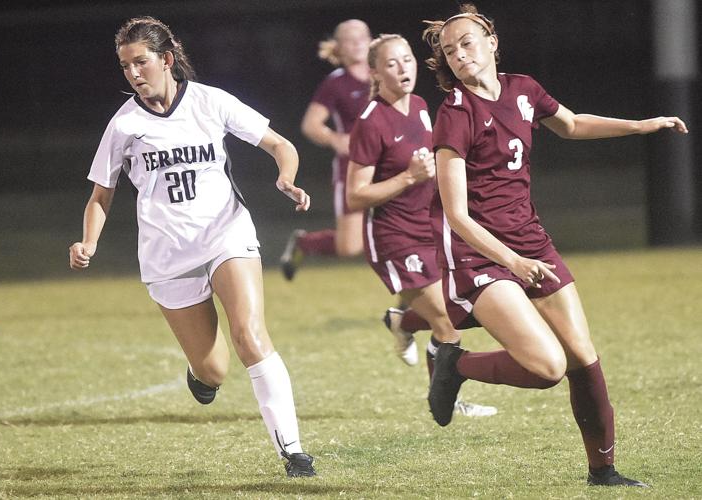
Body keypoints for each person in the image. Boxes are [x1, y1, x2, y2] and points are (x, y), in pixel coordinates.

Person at [423, 3, 688, 487]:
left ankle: (602, 472)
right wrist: (513, 262)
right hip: (479, 253)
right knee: (547, 367)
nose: (459, 54)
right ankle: (455, 364)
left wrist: (640, 126)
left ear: (491, 43)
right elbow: (456, 215)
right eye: (450, 51)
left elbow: (572, 124)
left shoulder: (523, 89)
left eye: (466, 43)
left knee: (582, 357)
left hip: (530, 241)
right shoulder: (455, 113)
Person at [68, 16, 316, 478]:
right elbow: (101, 194)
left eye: (141, 62)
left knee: (250, 335)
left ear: (166, 59)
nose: (133, 73)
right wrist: (88, 242)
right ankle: (200, 373)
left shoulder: (209, 101)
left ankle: (294, 452)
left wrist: (286, 177)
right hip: (167, 256)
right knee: (213, 371)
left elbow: (280, 144)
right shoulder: (124, 125)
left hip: (226, 234)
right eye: (125, 66)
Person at [346, 33, 496, 418]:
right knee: (446, 322)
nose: (404, 68)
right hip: (394, 238)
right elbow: (355, 196)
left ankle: (401, 322)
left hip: (431, 228)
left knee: (455, 309)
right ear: (375, 73)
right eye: (392, 63)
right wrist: (408, 177)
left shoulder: (420, 106)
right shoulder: (370, 122)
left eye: (408, 59)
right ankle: (446, 403)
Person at [280, 20, 372, 280]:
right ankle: (304, 243)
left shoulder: (385, 74)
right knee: (350, 247)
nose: (357, 43)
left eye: (362, 37)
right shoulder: (336, 83)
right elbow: (311, 125)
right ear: (338, 47)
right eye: (350, 39)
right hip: (353, 167)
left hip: (389, 164)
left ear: (371, 41)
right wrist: (335, 139)